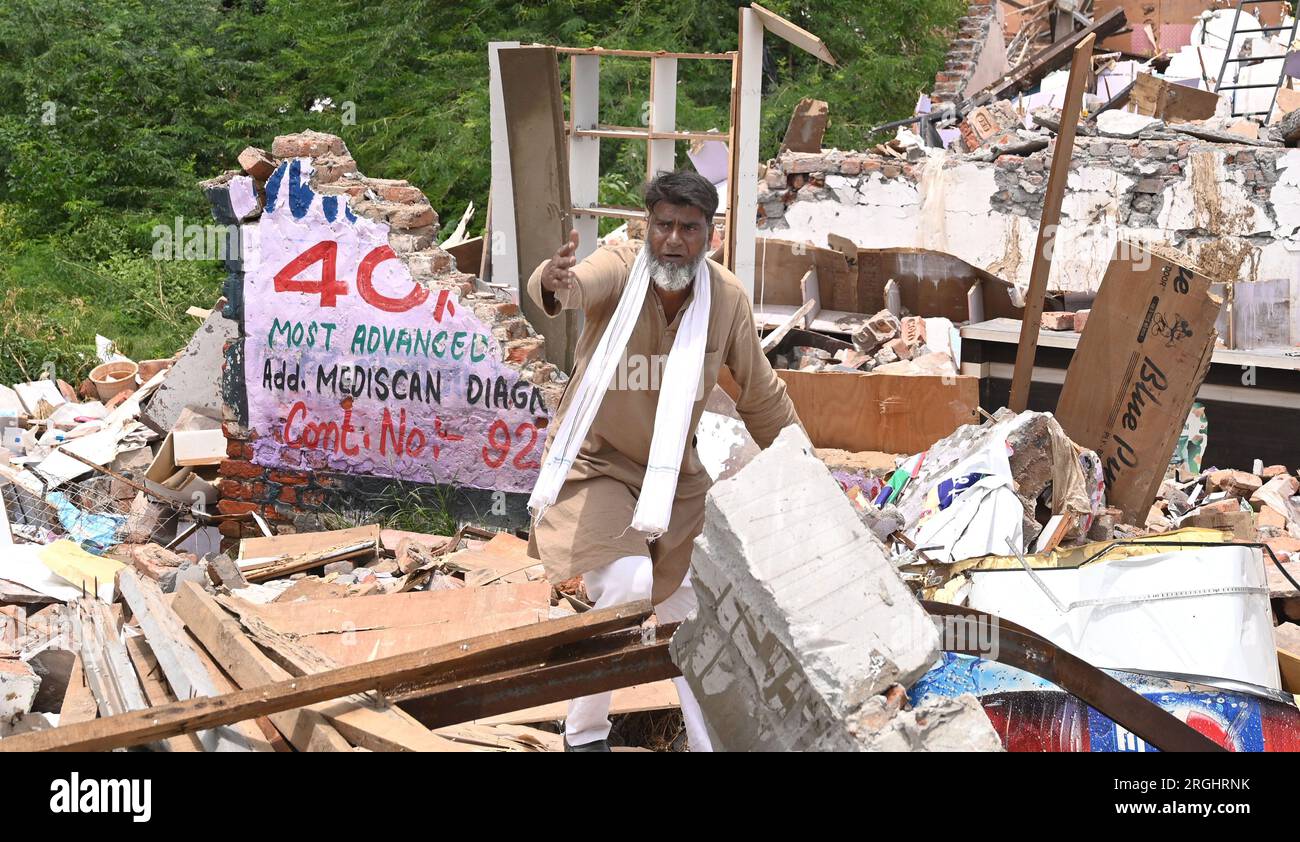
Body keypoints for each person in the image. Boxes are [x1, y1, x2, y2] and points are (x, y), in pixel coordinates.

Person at [525, 170, 802, 751]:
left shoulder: (724, 299)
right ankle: (584, 736)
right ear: (647, 226)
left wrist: (808, 471)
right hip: (596, 467)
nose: (674, 240)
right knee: (629, 580)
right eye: (664, 225)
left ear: (711, 236)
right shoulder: (621, 267)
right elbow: (576, 284)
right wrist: (555, 281)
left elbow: (760, 394)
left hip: (676, 483)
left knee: (694, 617)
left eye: (689, 229)